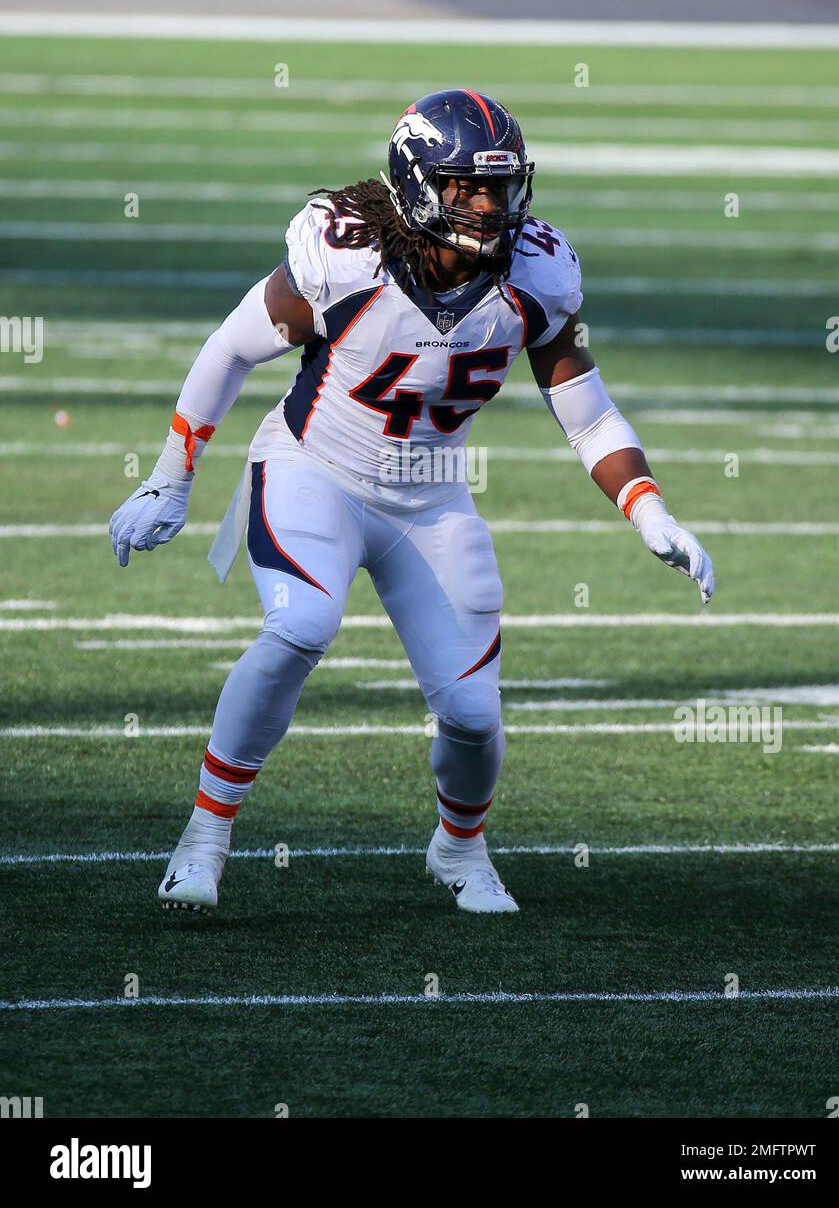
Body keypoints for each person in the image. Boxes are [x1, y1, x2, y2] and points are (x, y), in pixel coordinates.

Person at [109, 89, 714, 916]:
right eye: (467, 186)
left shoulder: (537, 272)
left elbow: (587, 408)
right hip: (312, 470)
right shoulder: (344, 252)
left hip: (431, 500)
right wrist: (169, 477)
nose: (489, 204)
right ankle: (203, 839)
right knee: (300, 625)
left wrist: (649, 508)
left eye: (499, 186)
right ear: (420, 182)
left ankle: (459, 850)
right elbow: (231, 349)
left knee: (471, 715)